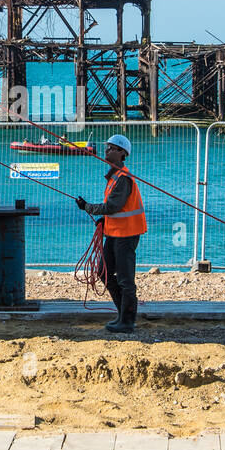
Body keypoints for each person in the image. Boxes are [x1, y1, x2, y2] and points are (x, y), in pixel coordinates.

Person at [76, 134, 147, 333]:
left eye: (112, 148)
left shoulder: (122, 178)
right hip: (114, 232)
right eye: (107, 147)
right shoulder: (114, 176)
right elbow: (115, 210)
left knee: (125, 279)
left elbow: (113, 206)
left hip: (127, 234)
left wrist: (87, 207)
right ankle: (122, 314)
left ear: (123, 153)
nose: (107, 150)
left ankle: (127, 321)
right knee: (102, 272)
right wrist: (104, 220)